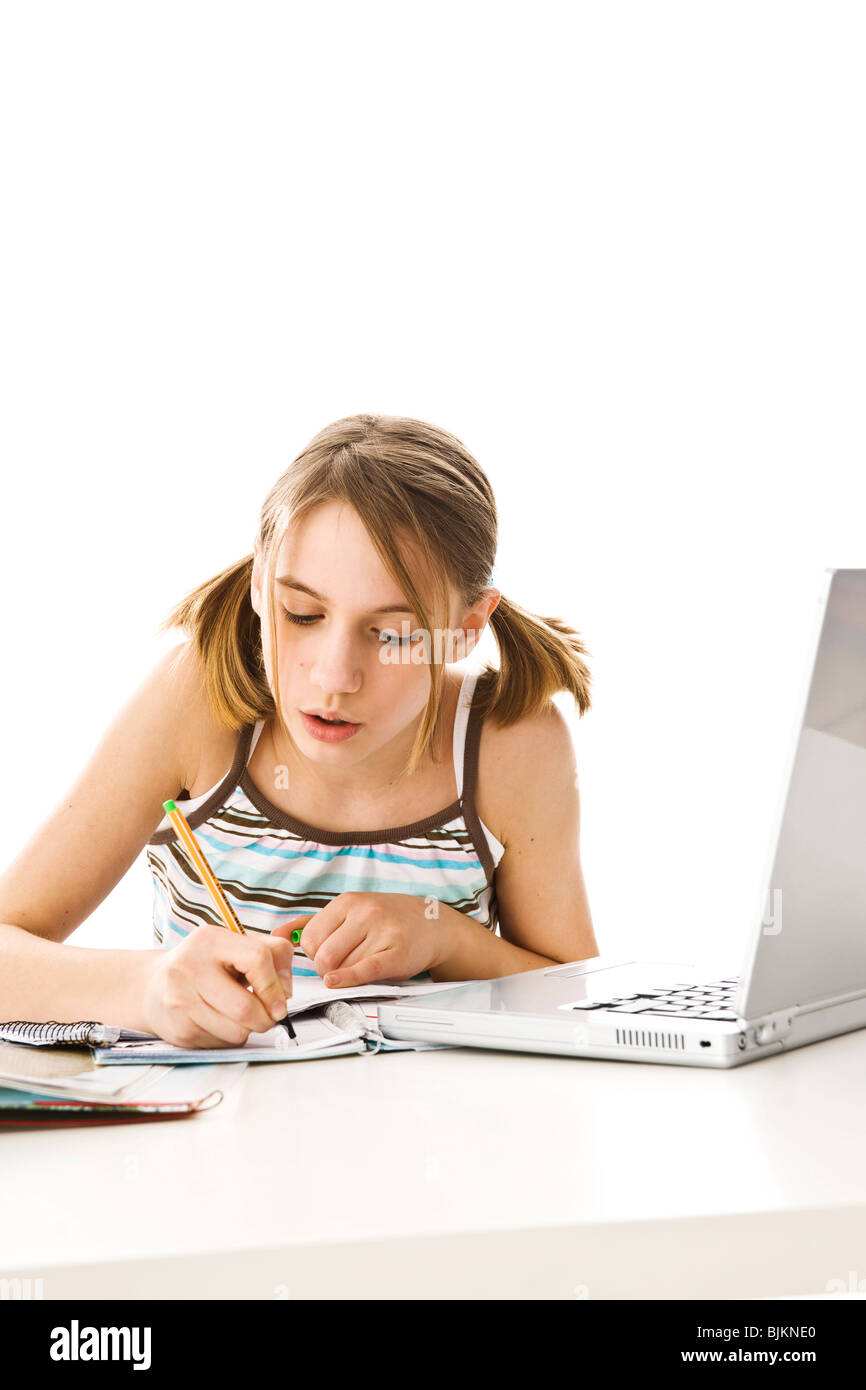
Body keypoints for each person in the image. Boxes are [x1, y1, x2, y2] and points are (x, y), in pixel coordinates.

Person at [0, 413, 598, 1048]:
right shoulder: (200, 704)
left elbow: (584, 999)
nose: (335, 676)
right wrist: (148, 987)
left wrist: (448, 937)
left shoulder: (510, 742)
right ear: (261, 584)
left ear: (470, 624)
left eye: (391, 633)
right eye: (302, 613)